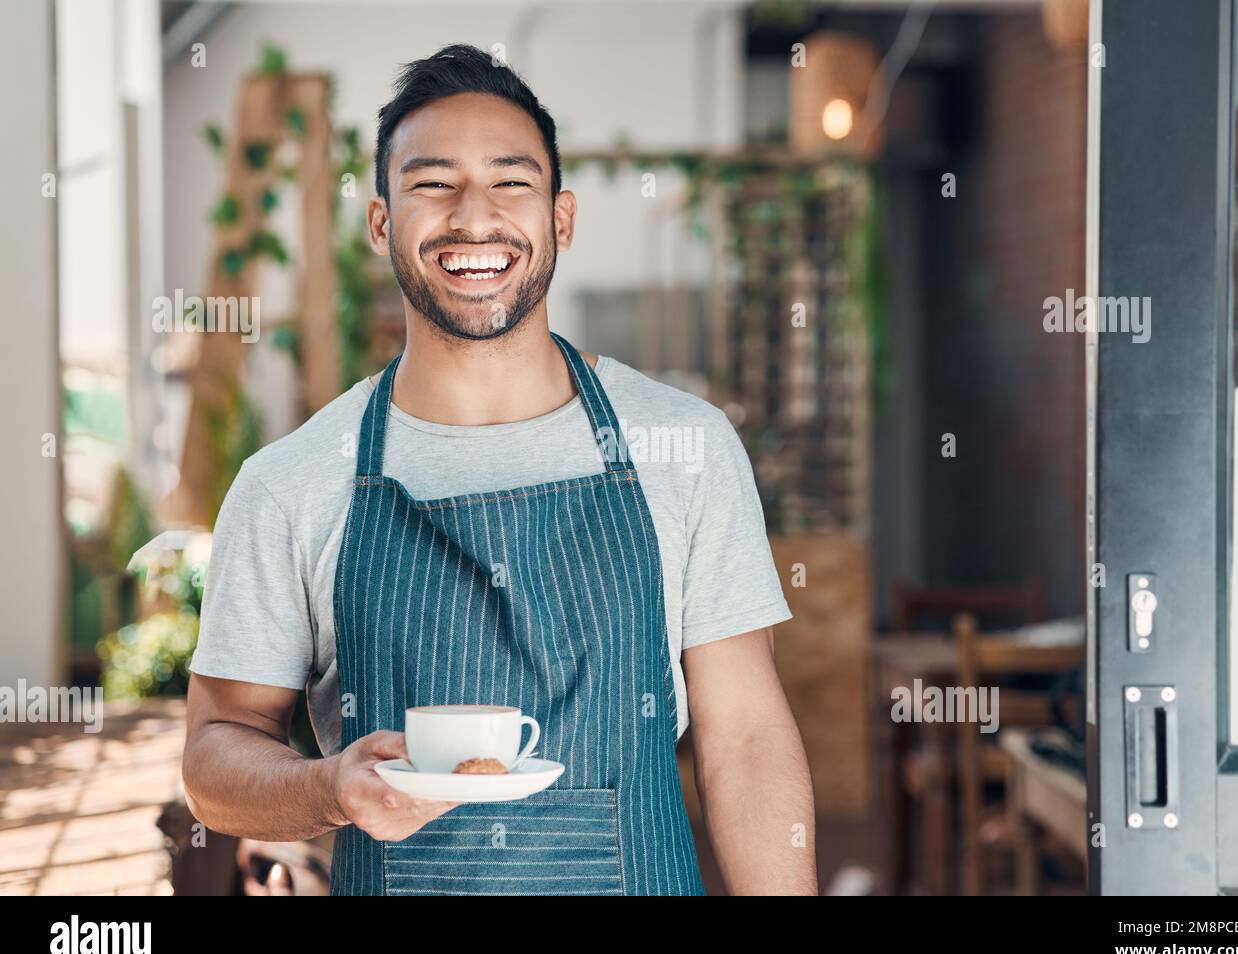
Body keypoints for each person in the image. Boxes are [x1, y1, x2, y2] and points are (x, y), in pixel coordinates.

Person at [182, 43, 815, 896]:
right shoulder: (288, 482)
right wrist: (325, 788)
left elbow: (744, 737)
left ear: (561, 219)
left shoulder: (686, 448)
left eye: (511, 181)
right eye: (432, 182)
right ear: (380, 223)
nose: (473, 217)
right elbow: (216, 753)